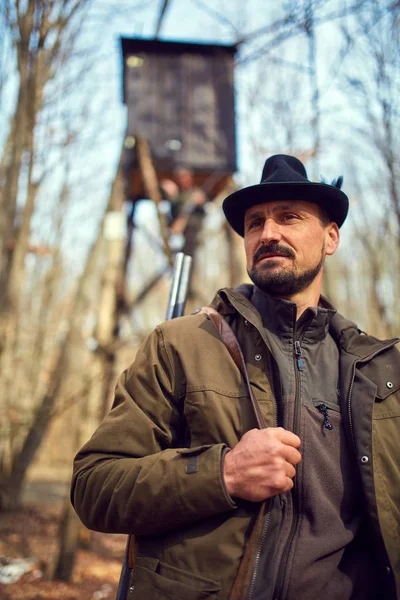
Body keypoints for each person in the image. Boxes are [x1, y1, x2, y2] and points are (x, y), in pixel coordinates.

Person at [71, 154, 400, 600]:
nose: (269, 234)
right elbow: (94, 486)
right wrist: (221, 474)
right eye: (254, 223)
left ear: (330, 237)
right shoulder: (181, 344)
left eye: (289, 217)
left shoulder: (380, 374)